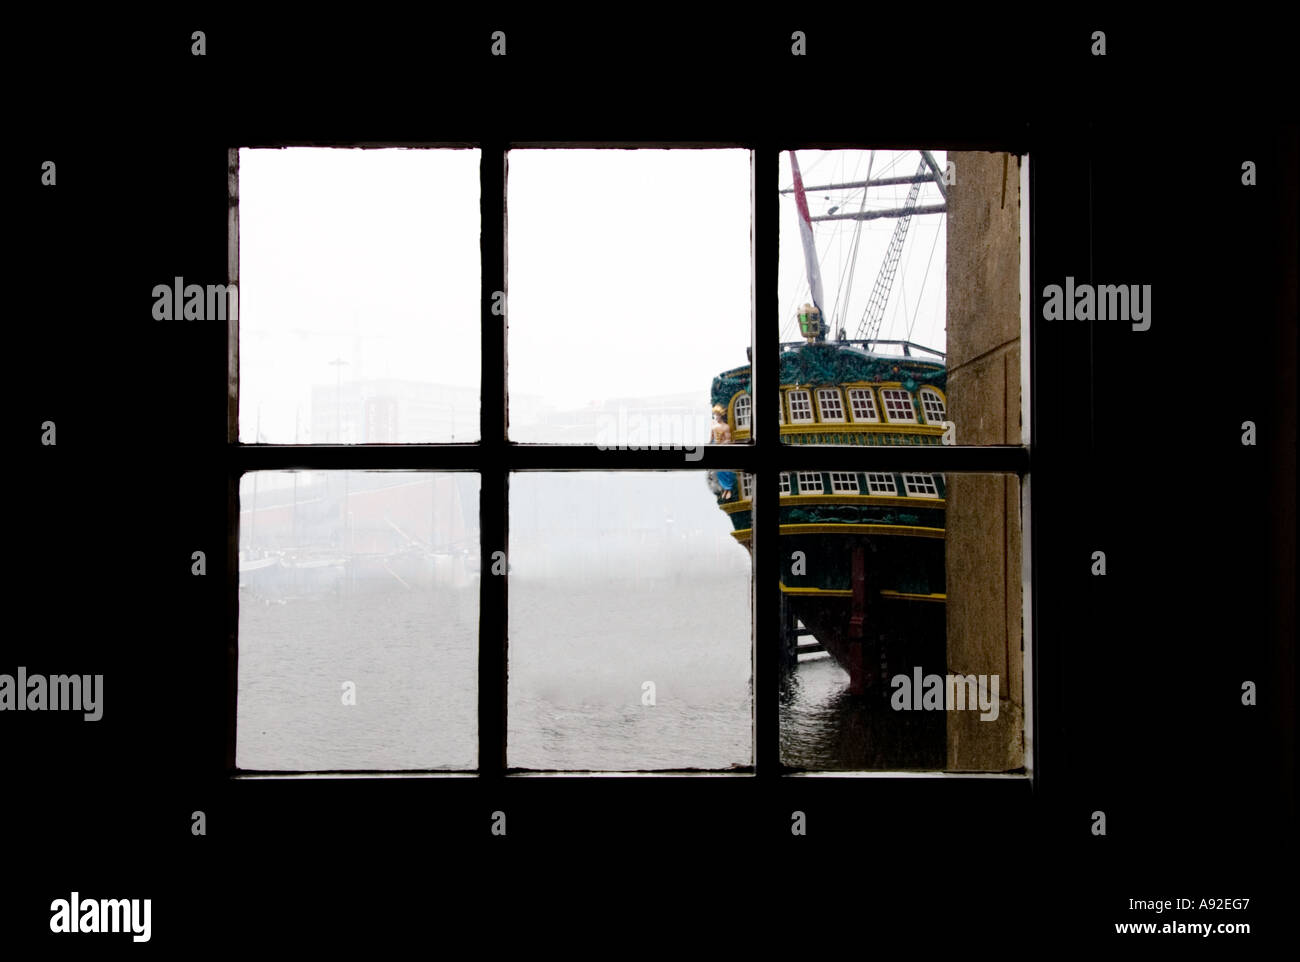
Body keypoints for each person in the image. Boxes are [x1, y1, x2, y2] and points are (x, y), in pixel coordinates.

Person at [710, 404, 739, 502]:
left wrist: (721, 444)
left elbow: (728, 440)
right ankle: (725, 489)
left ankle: (728, 489)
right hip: (715, 449)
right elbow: (711, 438)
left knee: (726, 471)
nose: (716, 416)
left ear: (721, 415)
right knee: (719, 471)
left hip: (724, 449)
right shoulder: (713, 426)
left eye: (717, 414)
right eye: (714, 414)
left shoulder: (726, 427)